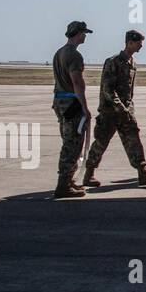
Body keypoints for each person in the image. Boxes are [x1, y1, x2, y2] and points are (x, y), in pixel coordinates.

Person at [82, 30, 146, 187]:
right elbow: (108, 89)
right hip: (110, 112)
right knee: (101, 142)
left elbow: (129, 90)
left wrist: (128, 109)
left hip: (126, 111)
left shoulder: (132, 63)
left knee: (134, 141)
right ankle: (89, 173)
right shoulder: (113, 61)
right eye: (139, 43)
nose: (141, 46)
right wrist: (120, 107)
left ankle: (143, 172)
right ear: (130, 42)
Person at [51, 21, 93, 199]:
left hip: (59, 101)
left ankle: (68, 180)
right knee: (73, 144)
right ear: (77, 33)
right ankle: (63, 185)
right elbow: (77, 82)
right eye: (84, 33)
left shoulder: (59, 52)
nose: (85, 36)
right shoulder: (74, 56)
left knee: (69, 139)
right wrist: (84, 106)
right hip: (71, 103)